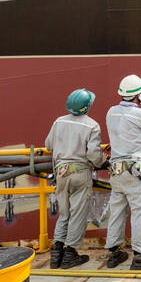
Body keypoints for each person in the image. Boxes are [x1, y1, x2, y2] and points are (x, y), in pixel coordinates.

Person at [104, 74, 141, 270]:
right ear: (139, 96)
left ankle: (114, 254)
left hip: (116, 171)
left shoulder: (111, 113)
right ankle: (140, 257)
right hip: (136, 171)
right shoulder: (140, 114)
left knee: (117, 210)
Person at [44, 88, 105, 269]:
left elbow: (48, 145)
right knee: (78, 214)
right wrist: (102, 162)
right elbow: (94, 155)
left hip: (61, 172)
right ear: (87, 106)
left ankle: (56, 254)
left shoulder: (58, 122)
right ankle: (70, 255)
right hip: (80, 173)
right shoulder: (92, 125)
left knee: (65, 213)